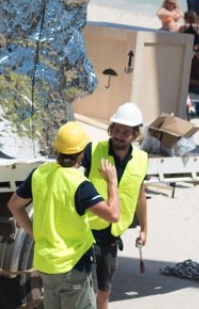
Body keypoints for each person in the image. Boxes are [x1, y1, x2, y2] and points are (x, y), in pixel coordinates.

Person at [8, 122, 120, 309]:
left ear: (57, 149)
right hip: (71, 265)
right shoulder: (79, 184)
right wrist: (112, 182)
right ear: (82, 151)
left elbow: (14, 206)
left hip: (47, 265)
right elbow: (113, 215)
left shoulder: (39, 173)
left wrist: (35, 233)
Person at [81, 103, 148, 309]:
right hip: (86, 231)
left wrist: (144, 228)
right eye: (116, 130)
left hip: (112, 235)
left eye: (125, 132)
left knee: (104, 291)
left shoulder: (141, 159)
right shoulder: (93, 150)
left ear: (135, 135)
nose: (119, 136)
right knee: (82, 291)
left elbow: (139, 194)